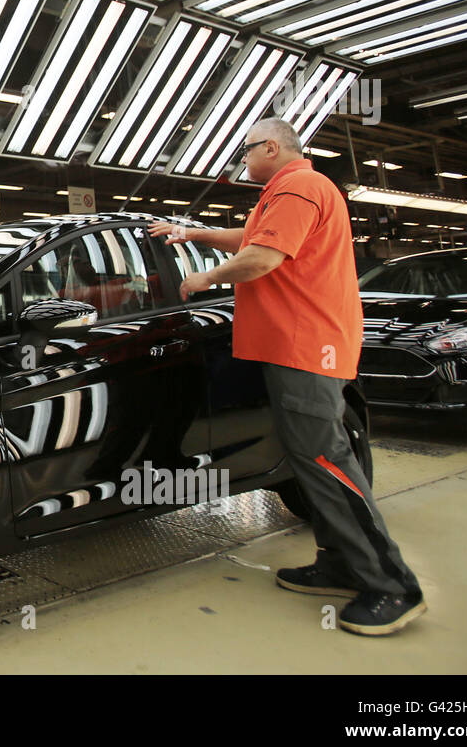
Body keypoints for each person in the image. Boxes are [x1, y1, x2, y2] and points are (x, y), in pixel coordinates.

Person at [149, 117, 425, 636]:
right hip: (299, 349)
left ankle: (392, 586)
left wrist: (205, 276)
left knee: (328, 461)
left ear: (271, 147)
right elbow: (250, 236)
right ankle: (340, 562)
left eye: (246, 150)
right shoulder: (286, 192)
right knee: (312, 461)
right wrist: (189, 232)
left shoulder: (298, 187)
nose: (243, 161)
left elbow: (261, 257)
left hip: (306, 349)